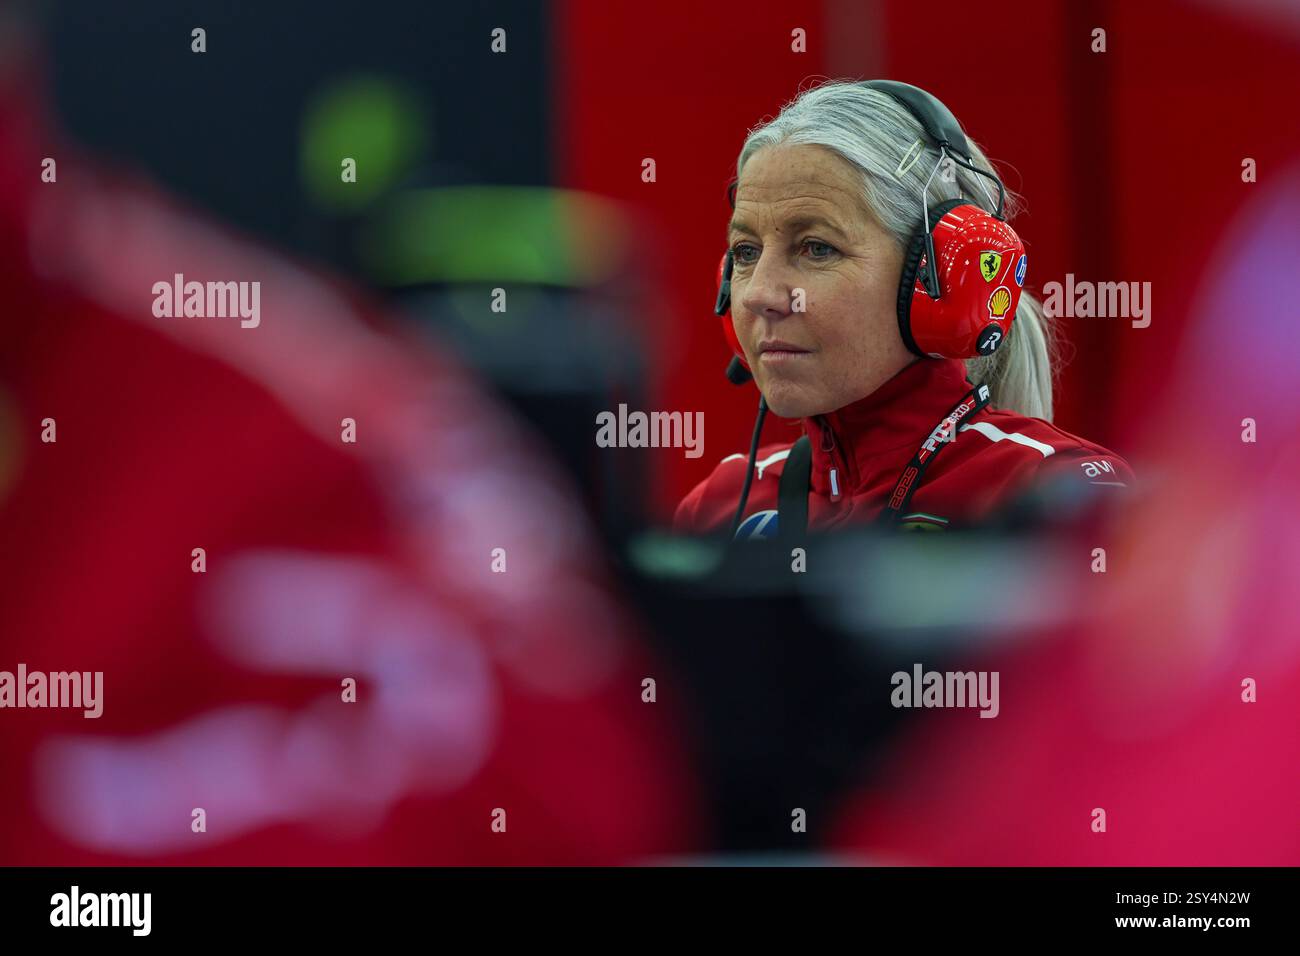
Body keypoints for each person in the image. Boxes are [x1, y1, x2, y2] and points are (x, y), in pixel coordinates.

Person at [674, 80, 1132, 540]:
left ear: (938, 282)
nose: (757, 295)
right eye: (747, 252)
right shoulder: (722, 505)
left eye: (816, 248)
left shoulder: (1061, 496)